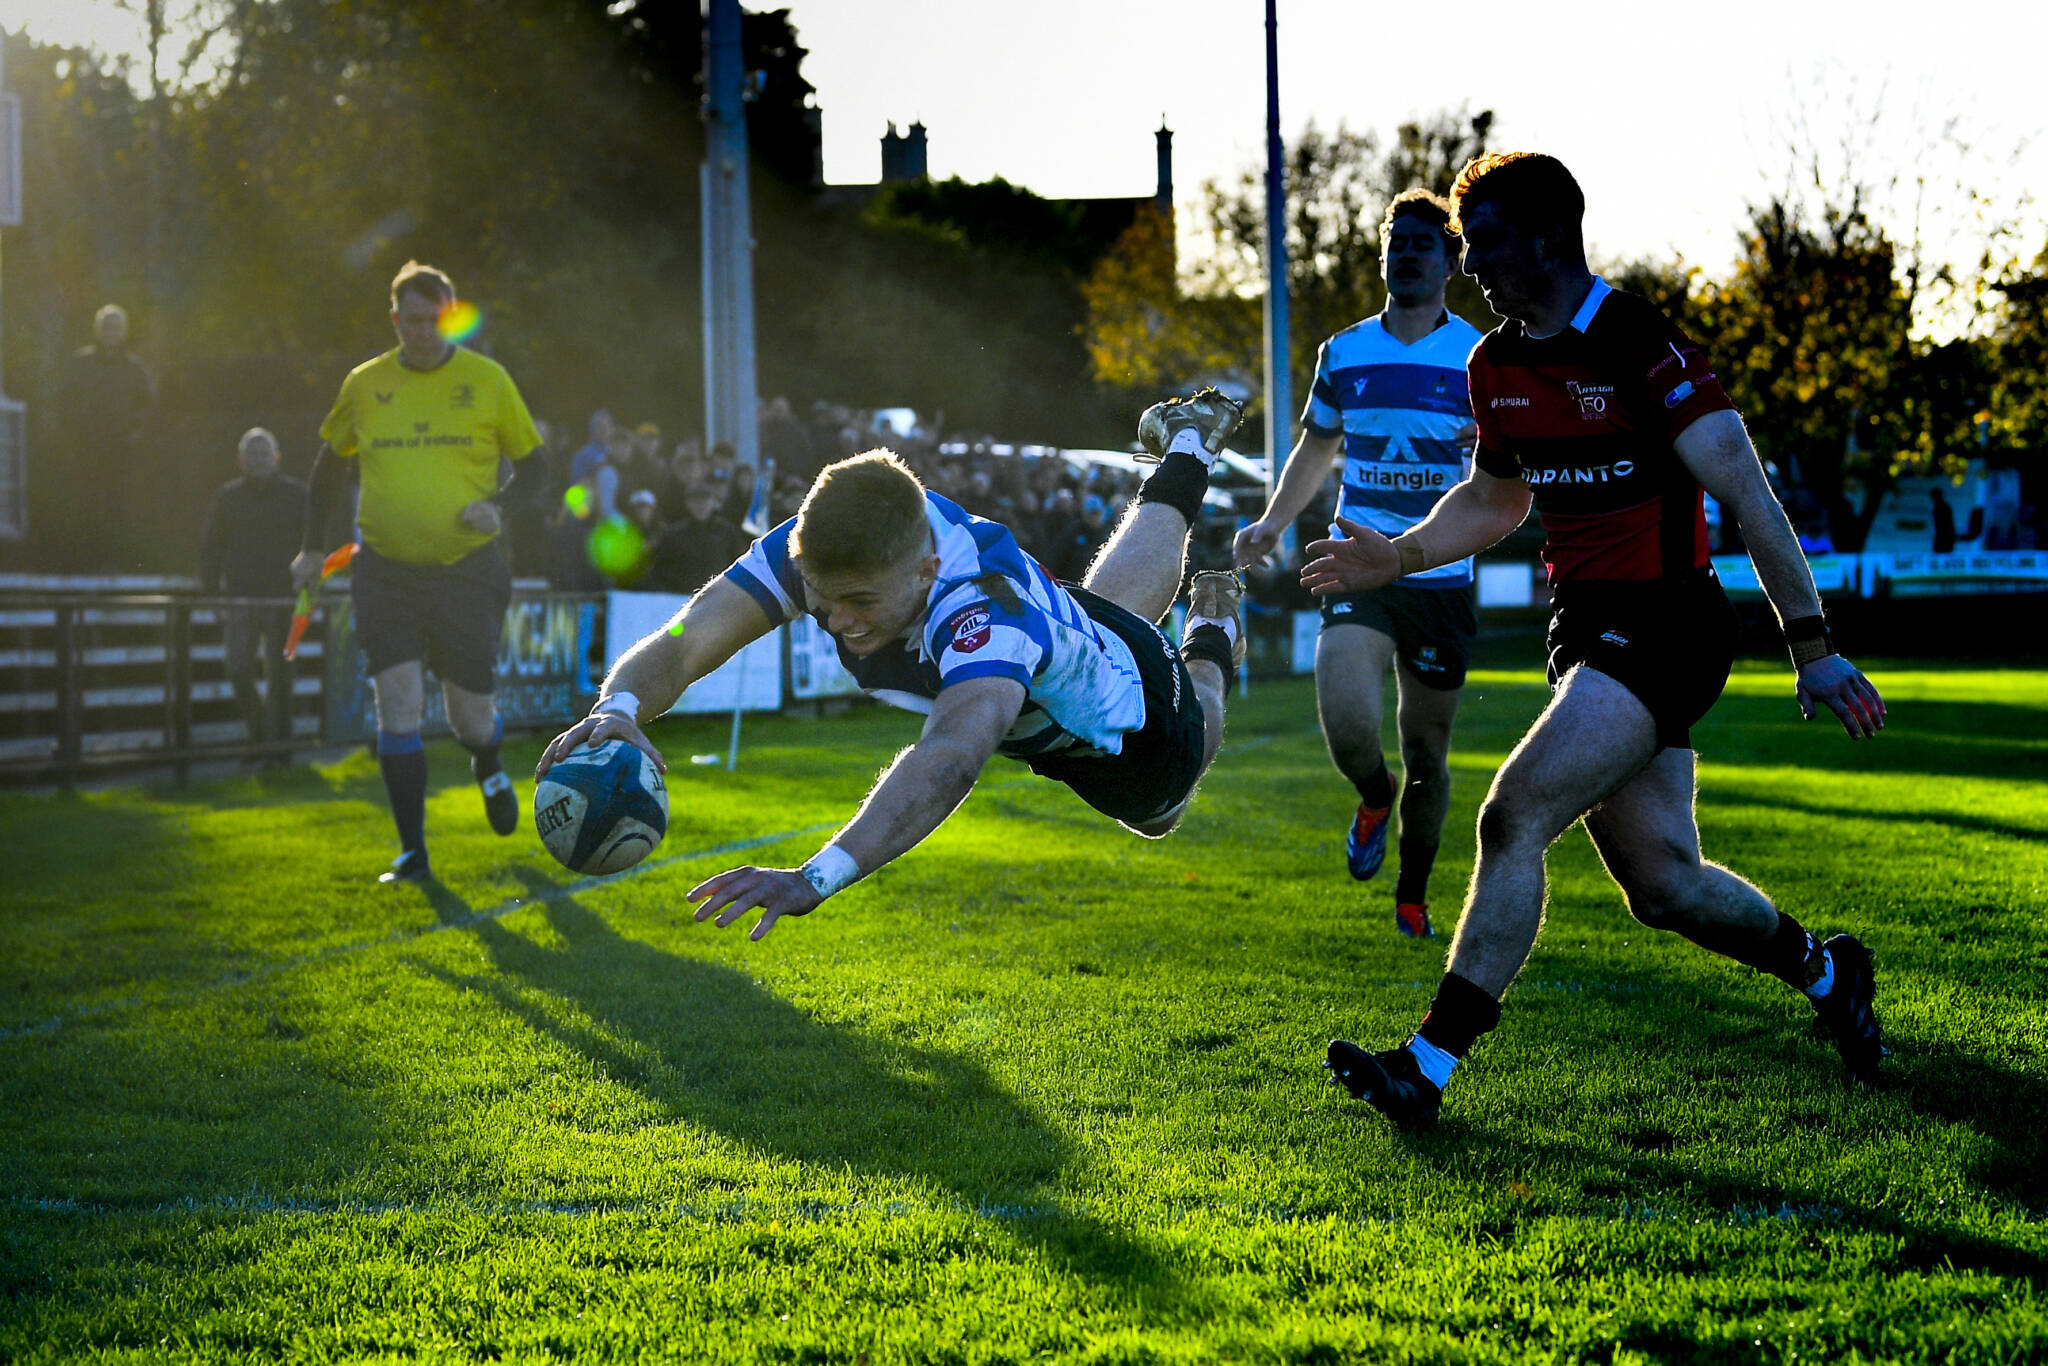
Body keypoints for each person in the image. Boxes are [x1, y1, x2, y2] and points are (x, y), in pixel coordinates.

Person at [1301, 153, 1889, 1129]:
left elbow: (1746, 493)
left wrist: (1812, 646)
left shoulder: (1636, 342)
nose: (1469, 262)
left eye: (1484, 241)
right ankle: (1828, 972)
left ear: (1545, 238)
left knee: (1512, 813)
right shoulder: (1494, 367)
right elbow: (1493, 500)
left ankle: (1426, 1066)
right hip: (1584, 631)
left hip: (1669, 622)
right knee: (1663, 885)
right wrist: (1396, 557)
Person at [538, 391, 1251, 942]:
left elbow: (951, 756)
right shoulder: (826, 542)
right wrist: (617, 709)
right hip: (1065, 632)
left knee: (1161, 809)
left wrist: (815, 877)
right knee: (1102, 616)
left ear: (926, 573)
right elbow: (684, 640)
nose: (840, 622)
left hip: (1124, 717)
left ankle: (1213, 636)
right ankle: (1189, 445)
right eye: (825, 599)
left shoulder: (982, 613)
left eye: (860, 603)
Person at [1235, 190, 1486, 939]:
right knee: (1348, 724)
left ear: (1450, 263)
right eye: (1396, 242)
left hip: (1439, 574)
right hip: (1356, 564)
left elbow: (1504, 467)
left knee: (1428, 754)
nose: (1407, 254)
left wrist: (1488, 447)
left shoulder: (1478, 356)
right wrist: (1272, 523)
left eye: (1423, 244)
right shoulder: (1343, 352)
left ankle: (1412, 894)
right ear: (1383, 257)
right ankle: (1375, 796)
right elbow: (1315, 448)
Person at [291, 261, 552, 884]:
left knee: (470, 717)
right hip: (385, 571)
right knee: (397, 702)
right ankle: (413, 854)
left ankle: (486, 759)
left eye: (435, 321)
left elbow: (537, 471)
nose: (423, 332)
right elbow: (329, 468)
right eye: (411, 321)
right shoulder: (365, 384)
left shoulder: (488, 381)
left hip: (467, 572)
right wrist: (311, 549)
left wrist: (499, 509)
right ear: (394, 320)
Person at [198, 427, 308, 751]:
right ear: (240, 460)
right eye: (252, 453)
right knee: (238, 667)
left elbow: (314, 545)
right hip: (241, 597)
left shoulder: (297, 496)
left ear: (277, 458)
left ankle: (280, 750)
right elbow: (210, 547)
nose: (258, 459)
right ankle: (261, 736)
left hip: (283, 598)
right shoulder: (227, 498)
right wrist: (211, 592)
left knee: (281, 676)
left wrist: (308, 591)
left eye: (263, 453)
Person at [56, 304, 156, 558]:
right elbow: (65, 401)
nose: (111, 332)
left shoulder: (134, 368)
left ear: (124, 331)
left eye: (116, 327)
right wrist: (76, 430)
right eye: (107, 327)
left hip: (119, 449)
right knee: (85, 500)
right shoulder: (81, 363)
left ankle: (113, 557)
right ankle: (84, 557)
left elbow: (147, 405)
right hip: (86, 446)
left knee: (116, 501)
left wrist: (133, 431)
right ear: (97, 330)